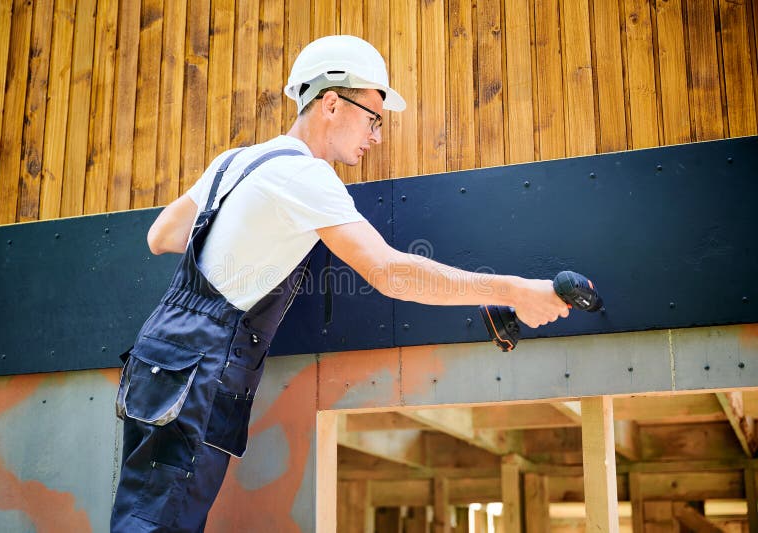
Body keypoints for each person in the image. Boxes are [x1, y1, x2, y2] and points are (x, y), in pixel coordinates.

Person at [110, 34, 568, 532]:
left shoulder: (235, 161)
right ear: (331, 102)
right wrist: (516, 290)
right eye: (373, 118)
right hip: (202, 372)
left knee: (142, 514)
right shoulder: (307, 178)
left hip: (162, 357)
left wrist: (254, 247)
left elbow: (163, 235)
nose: (377, 136)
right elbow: (390, 272)